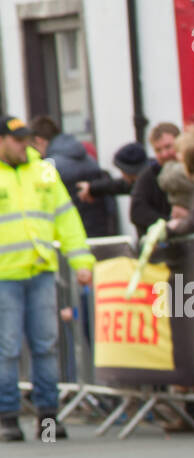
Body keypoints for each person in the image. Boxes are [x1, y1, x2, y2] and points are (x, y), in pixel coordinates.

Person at [0, 115, 95, 441]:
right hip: (4, 276)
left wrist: (81, 260)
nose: (23, 144)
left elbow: (66, 220)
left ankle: (49, 421)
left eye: (26, 138)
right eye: (16, 139)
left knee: (45, 347)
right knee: (7, 349)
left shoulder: (43, 170)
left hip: (40, 271)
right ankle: (8, 419)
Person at [29, 115, 119, 237]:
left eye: (33, 147)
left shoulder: (49, 166)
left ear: (39, 141)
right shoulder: (88, 158)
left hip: (72, 233)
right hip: (100, 230)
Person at [129, 122, 179, 236]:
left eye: (168, 147)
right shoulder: (148, 176)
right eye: (158, 150)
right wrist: (170, 224)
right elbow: (137, 212)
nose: (164, 154)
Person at [76, 142, 150, 206]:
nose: (122, 175)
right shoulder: (140, 182)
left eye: (122, 171)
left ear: (130, 171)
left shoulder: (150, 184)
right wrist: (92, 188)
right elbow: (116, 185)